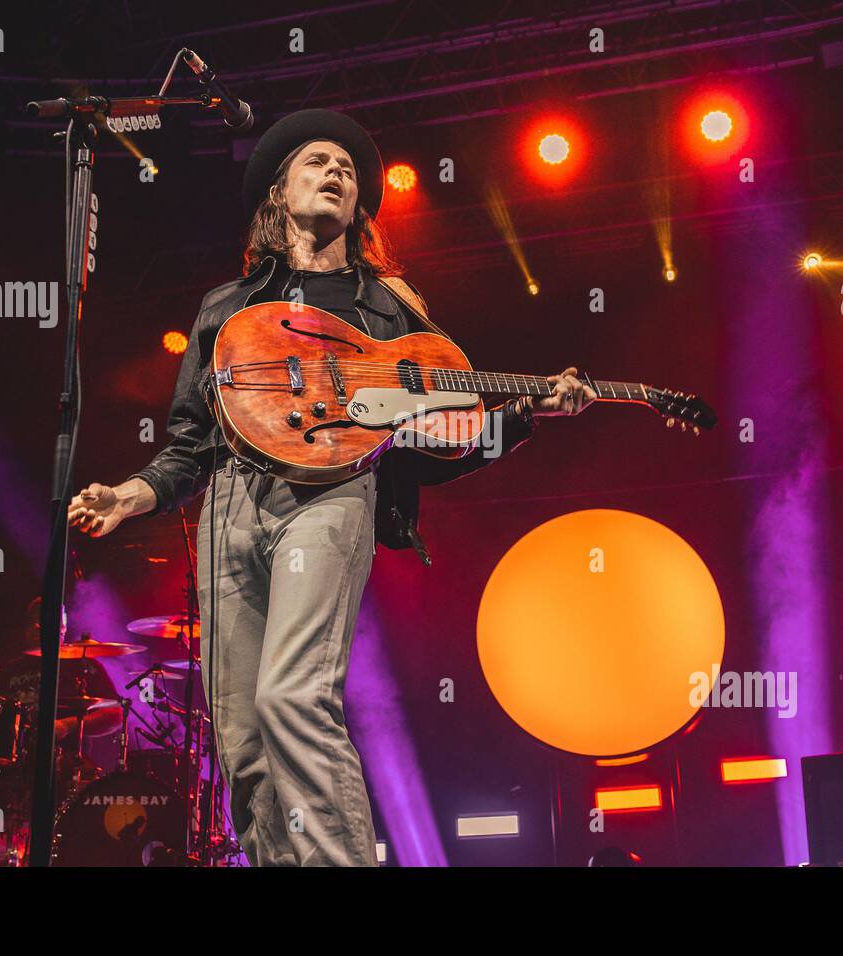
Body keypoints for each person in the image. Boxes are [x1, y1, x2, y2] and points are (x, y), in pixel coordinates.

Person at [68, 109, 595, 866]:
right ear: (279, 193)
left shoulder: (390, 307)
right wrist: (131, 495)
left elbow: (439, 444)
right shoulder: (225, 307)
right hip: (228, 506)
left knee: (292, 698)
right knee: (242, 741)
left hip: (331, 497)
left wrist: (526, 414)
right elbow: (191, 444)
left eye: (347, 168)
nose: (337, 172)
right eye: (318, 162)